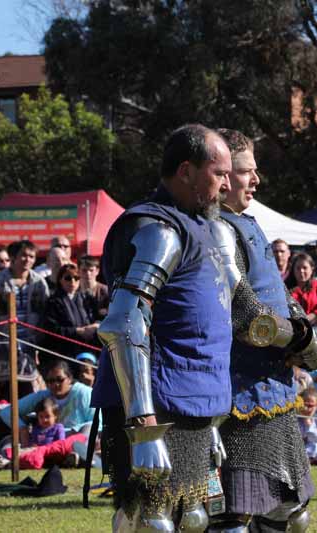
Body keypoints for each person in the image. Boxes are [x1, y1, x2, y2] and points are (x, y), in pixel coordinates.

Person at [91, 123, 234, 532]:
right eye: (218, 172)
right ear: (186, 171)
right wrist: (144, 424)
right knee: (151, 523)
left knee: (191, 519)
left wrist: (209, 423)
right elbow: (125, 322)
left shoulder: (204, 227)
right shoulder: (158, 229)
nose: (226, 184)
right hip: (156, 407)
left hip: (194, 407)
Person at [208, 128, 317, 532]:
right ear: (223, 175)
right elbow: (247, 318)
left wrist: (304, 332)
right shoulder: (218, 230)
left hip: (273, 385)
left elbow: (274, 294)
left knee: (289, 512)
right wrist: (302, 339)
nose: (255, 180)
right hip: (239, 390)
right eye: (247, 171)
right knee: (233, 516)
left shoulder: (249, 224)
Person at [0, 240, 49, 396]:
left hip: (30, 345)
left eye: (31, 256)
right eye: (23, 255)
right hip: (3, 343)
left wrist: (38, 340)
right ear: (13, 257)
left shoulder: (39, 283)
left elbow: (45, 314)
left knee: (28, 389)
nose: (28, 259)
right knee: (3, 389)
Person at [41, 263, 100, 364]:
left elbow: (99, 317)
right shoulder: (53, 301)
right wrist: (76, 331)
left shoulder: (87, 298)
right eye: (68, 278)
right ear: (60, 280)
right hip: (64, 352)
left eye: (76, 278)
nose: (72, 281)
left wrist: (96, 325)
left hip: (88, 350)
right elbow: (50, 329)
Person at [290, 253, 317, 328]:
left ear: (312, 268)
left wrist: (310, 318)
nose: (301, 271)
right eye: (298, 268)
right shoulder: (286, 289)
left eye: (305, 268)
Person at [297, 387, 317, 464]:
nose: (307, 409)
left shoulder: (316, 416)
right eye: (305, 405)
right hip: (303, 449)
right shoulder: (296, 418)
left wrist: (309, 421)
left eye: (311, 406)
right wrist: (306, 420)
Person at [79, 255, 110, 319]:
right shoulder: (74, 290)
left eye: (91, 270)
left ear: (97, 271)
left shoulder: (106, 291)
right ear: (78, 270)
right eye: (84, 270)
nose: (88, 273)